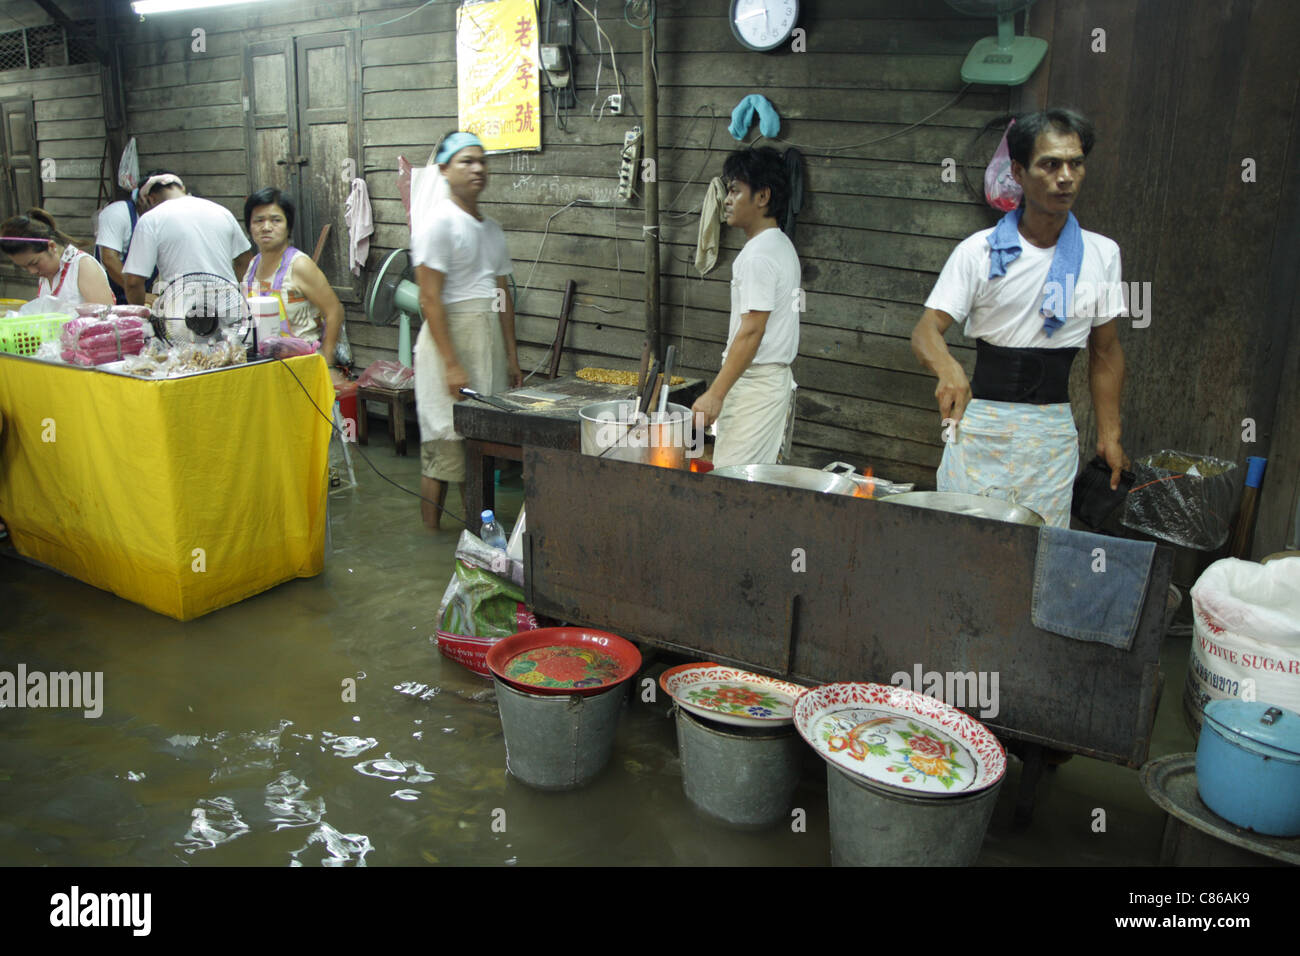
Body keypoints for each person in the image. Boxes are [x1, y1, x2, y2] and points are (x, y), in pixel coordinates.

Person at [910, 107, 1129, 528]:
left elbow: (1106, 353)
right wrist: (949, 368)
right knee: (961, 541)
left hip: (1051, 435)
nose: (1065, 176)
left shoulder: (1102, 255)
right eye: (1050, 164)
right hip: (979, 427)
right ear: (1019, 171)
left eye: (1076, 163)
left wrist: (1110, 435)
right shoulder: (981, 251)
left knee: (1039, 552)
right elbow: (925, 331)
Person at [411, 131, 523, 530]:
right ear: (444, 169)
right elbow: (430, 299)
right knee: (444, 449)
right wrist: (451, 364)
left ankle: (476, 538)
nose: (477, 168)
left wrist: (511, 356)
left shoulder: (490, 229)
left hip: (485, 342)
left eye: (482, 161)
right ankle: (431, 540)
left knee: (477, 447)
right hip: (449, 345)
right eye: (466, 161)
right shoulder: (438, 223)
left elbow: (501, 295)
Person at [691, 147, 802, 467]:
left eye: (736, 190)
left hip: (755, 385)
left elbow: (752, 331)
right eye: (728, 190)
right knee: (751, 481)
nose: (727, 199)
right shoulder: (780, 244)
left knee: (731, 484)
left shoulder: (758, 256)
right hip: (765, 383)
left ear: (763, 196)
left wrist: (715, 393)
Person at [241, 187, 345, 383]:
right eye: (258, 220)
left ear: (288, 226)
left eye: (276, 220)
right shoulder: (252, 265)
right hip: (264, 369)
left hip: (301, 369)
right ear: (249, 226)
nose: (266, 227)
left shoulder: (300, 265)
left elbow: (334, 311)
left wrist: (328, 362)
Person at [122, 174, 253, 306]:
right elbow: (244, 260)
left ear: (150, 199)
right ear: (182, 188)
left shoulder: (150, 219)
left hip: (183, 316)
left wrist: (141, 317)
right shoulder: (222, 212)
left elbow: (133, 283)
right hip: (229, 308)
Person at [1, 208, 114, 310]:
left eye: (34, 263)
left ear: (51, 247)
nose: (32, 271)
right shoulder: (45, 275)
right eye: (24, 267)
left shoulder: (83, 266)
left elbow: (105, 320)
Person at [93, 167, 174, 304]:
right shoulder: (117, 213)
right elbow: (109, 259)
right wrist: (140, 294)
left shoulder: (163, 221)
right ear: (144, 197)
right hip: (110, 296)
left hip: (138, 294)